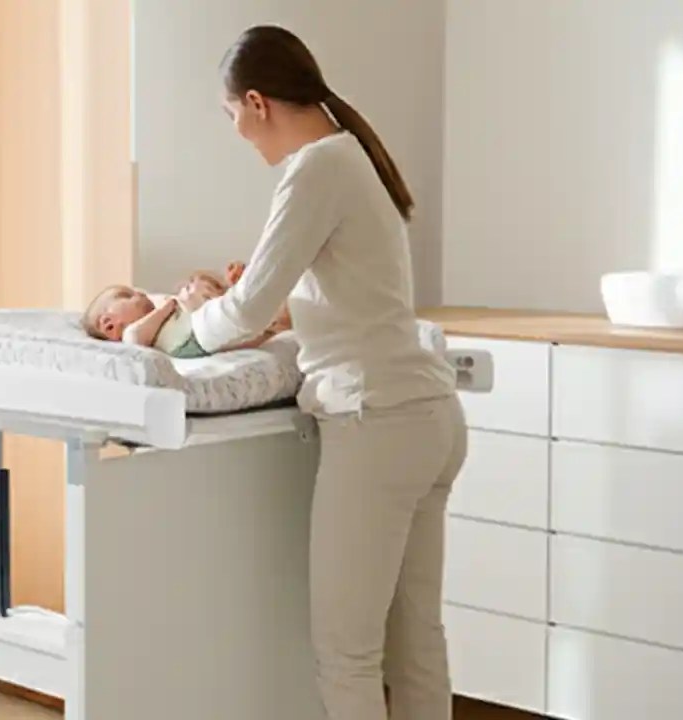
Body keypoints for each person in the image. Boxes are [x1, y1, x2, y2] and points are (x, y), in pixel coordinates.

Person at [189, 25, 468, 720]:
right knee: (416, 643)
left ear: (256, 103)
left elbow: (247, 302)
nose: (239, 135)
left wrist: (193, 322)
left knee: (346, 656)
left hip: (376, 425)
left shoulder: (315, 167)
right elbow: (352, 295)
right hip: (428, 415)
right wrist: (290, 318)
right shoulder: (352, 158)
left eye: (232, 118)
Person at [81, 264, 290, 358]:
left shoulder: (153, 321)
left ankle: (241, 294)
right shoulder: (132, 334)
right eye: (128, 295)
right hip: (195, 337)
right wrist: (166, 307)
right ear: (109, 324)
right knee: (225, 316)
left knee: (240, 329)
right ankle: (247, 295)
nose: (139, 293)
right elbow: (135, 338)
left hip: (201, 335)